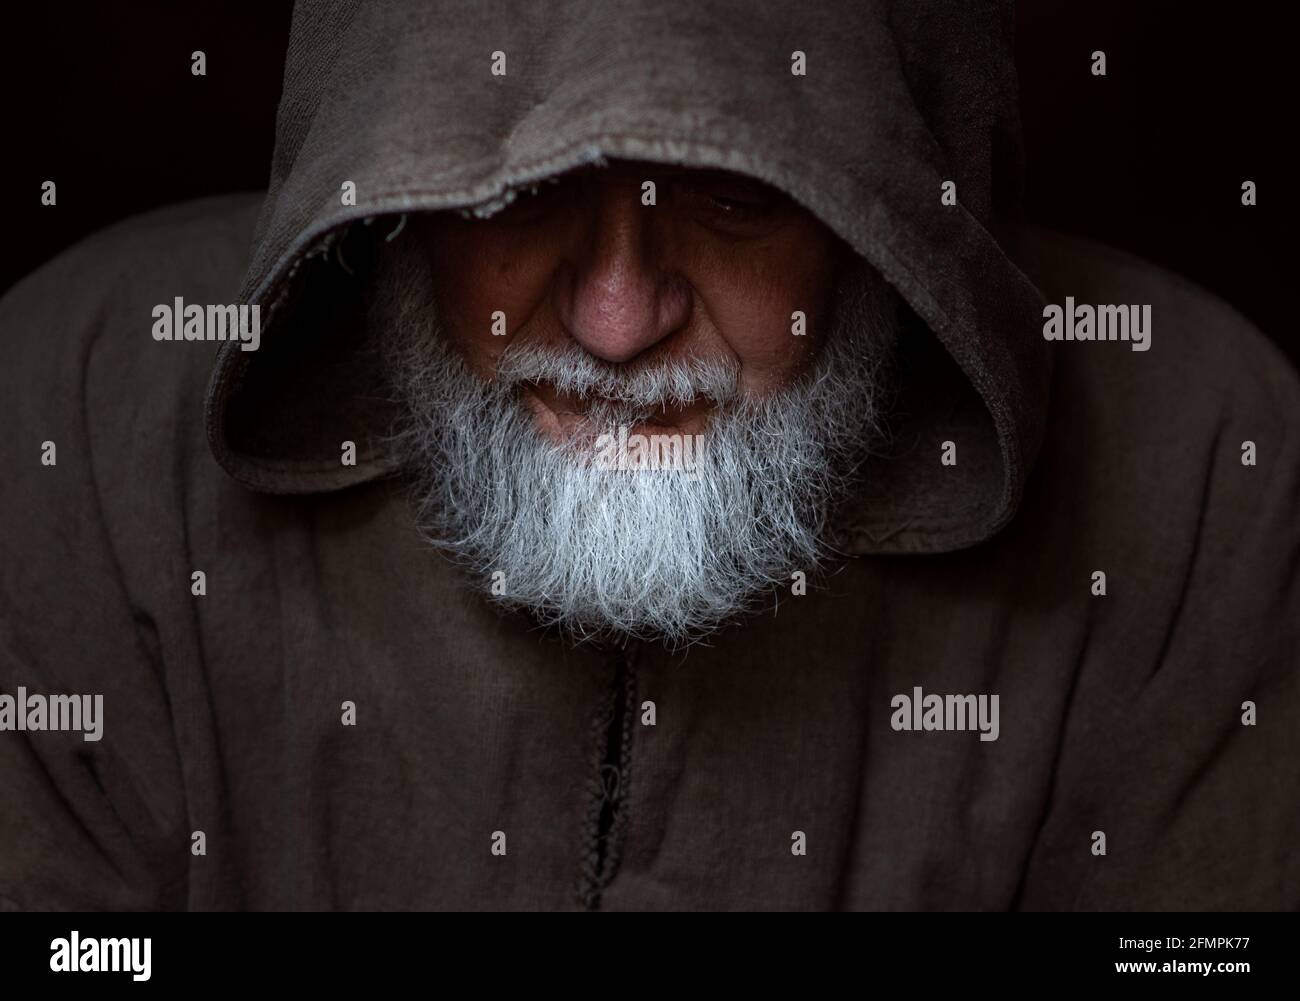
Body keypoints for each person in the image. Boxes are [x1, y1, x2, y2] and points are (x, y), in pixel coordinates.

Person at [1, 0, 1295, 911]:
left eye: (738, 199)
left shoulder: (1196, 467)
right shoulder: (75, 412)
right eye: (515, 192)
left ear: (891, 229)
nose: (618, 320)